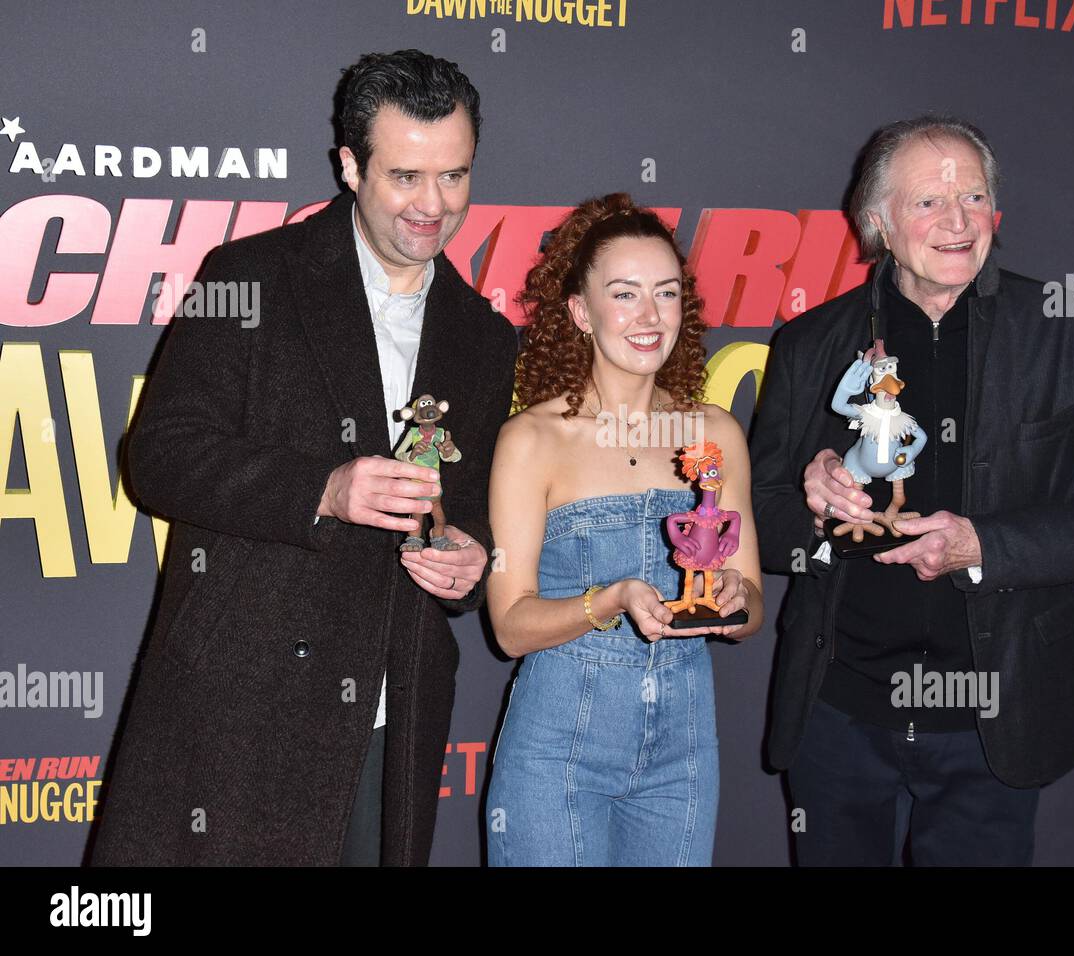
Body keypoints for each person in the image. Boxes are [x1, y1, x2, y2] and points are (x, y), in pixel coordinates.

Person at [89, 51, 517, 866]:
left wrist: (470, 557)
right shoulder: (250, 277)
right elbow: (161, 456)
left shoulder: (484, 336)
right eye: (406, 177)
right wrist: (323, 488)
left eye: (454, 176)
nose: (433, 205)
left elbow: (468, 507)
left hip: (391, 713)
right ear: (350, 166)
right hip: (243, 704)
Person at [750, 115, 1074, 866]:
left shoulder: (1059, 332)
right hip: (838, 717)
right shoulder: (810, 345)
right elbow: (758, 520)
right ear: (877, 221)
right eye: (929, 202)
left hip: (992, 721)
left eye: (973, 197)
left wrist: (981, 547)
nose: (958, 221)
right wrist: (812, 508)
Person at [483, 193, 763, 866]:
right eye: (625, 294)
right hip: (557, 752)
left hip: (682, 753)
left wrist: (734, 600)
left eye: (666, 293)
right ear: (581, 312)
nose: (649, 316)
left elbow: (752, 607)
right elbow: (510, 626)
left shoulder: (715, 433)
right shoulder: (532, 439)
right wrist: (609, 600)